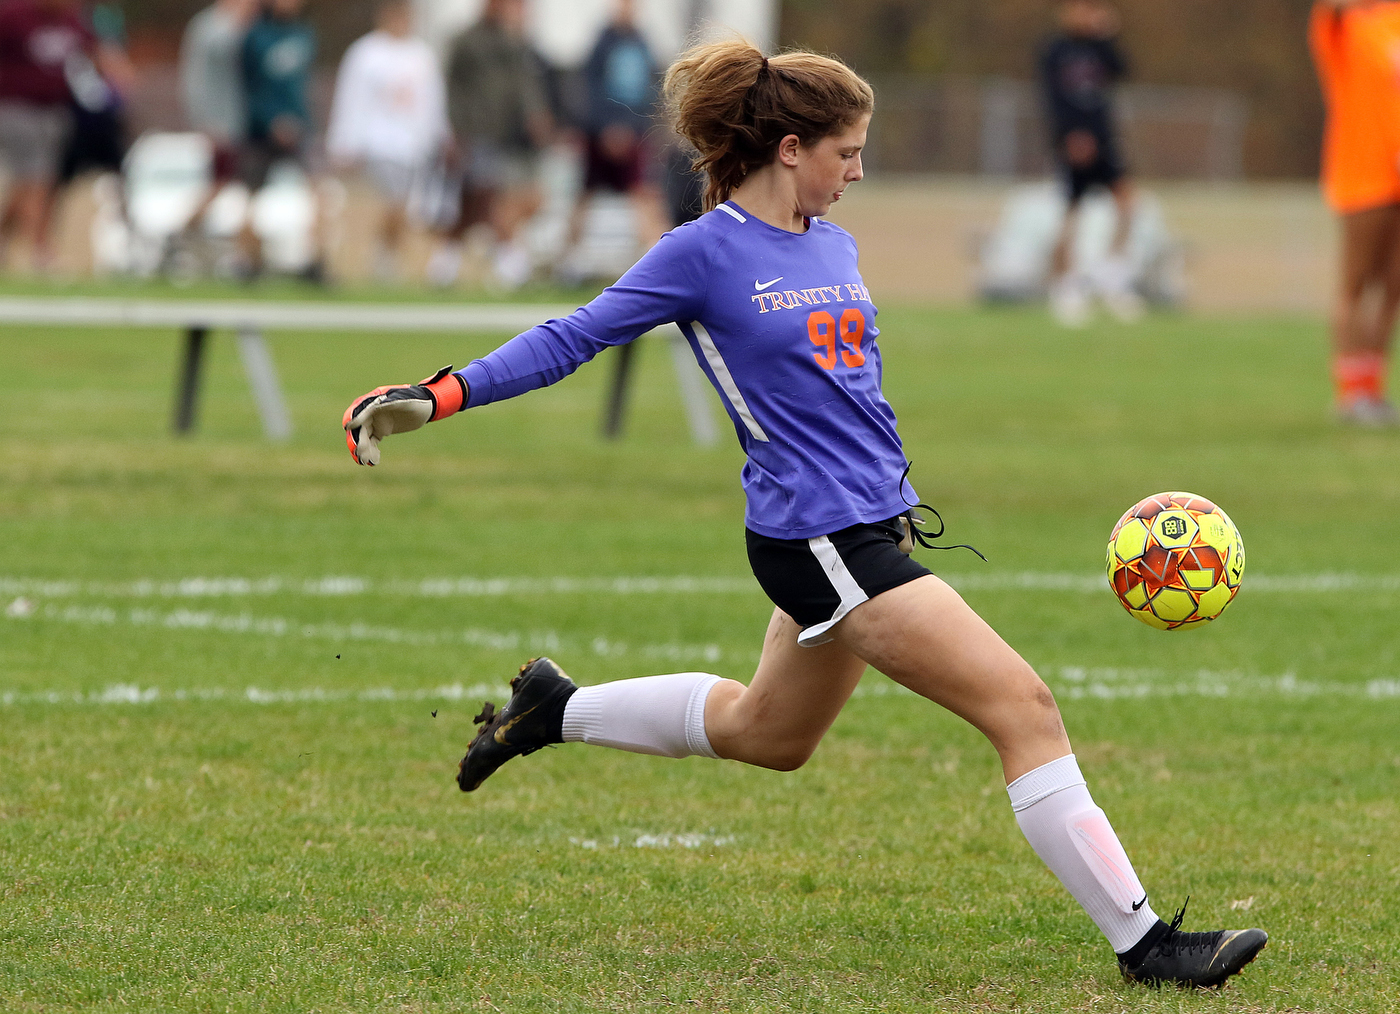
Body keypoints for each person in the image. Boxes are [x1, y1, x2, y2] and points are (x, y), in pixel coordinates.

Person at [341, 39, 1268, 989]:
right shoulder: (701, 253)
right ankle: (1146, 945)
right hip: (815, 540)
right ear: (790, 147)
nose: (858, 171)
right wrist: (439, 395)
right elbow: (571, 336)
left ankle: (555, 709)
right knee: (1024, 708)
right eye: (847, 151)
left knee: (769, 734)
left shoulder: (832, 240)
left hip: (868, 527)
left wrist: (893, 503)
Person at [1309, 0, 1400, 427]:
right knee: (1356, 284)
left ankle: (1374, 390)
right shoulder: (1343, 22)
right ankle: (1350, 395)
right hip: (1362, 173)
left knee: (1393, 286)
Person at [429, 0, 552, 290]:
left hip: (502, 134)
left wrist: (535, 115)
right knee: (485, 193)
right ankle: (507, 260)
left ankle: (447, 261)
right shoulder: (465, 41)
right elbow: (451, 89)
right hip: (473, 133)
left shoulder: (510, 42)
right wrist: (455, 131)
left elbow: (521, 86)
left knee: (475, 199)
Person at [326, 0, 448, 283]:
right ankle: (374, 258)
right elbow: (351, 99)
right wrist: (343, 142)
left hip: (411, 146)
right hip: (376, 144)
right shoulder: (365, 53)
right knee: (385, 204)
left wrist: (439, 135)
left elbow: (432, 102)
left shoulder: (421, 55)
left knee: (403, 207)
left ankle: (387, 258)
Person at [1039, 0, 1140, 326]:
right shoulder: (1056, 50)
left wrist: (1106, 37)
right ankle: (1064, 286)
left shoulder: (1099, 48)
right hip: (1074, 140)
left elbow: (1123, 71)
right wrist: (1068, 135)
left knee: (1127, 203)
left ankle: (1113, 278)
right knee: (1073, 211)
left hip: (1104, 137)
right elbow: (1051, 98)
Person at [562, 0, 667, 267]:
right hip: (600, 135)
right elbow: (591, 88)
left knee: (642, 193)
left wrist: (635, 127)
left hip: (633, 134)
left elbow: (649, 90)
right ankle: (566, 259)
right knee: (584, 195)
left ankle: (659, 255)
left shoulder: (643, 42)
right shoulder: (602, 42)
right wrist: (605, 126)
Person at [0, 0, 94, 272]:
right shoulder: (12, 15)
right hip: (15, 107)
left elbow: (93, 50)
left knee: (32, 183)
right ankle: (42, 252)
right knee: (37, 180)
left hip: (54, 109)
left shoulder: (72, 19)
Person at [238, 0, 324, 281]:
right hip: (261, 130)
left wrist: (300, 120)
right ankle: (248, 262)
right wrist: (271, 120)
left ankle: (313, 261)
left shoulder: (304, 35)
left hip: (299, 128)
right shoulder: (254, 36)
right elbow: (248, 87)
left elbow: (300, 86)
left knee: (316, 191)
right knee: (251, 196)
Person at [178, 0, 257, 244]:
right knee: (220, 182)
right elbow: (194, 77)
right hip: (220, 123)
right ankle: (182, 233)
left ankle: (249, 247)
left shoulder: (254, 24)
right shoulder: (208, 26)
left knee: (248, 185)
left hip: (247, 123)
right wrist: (204, 120)